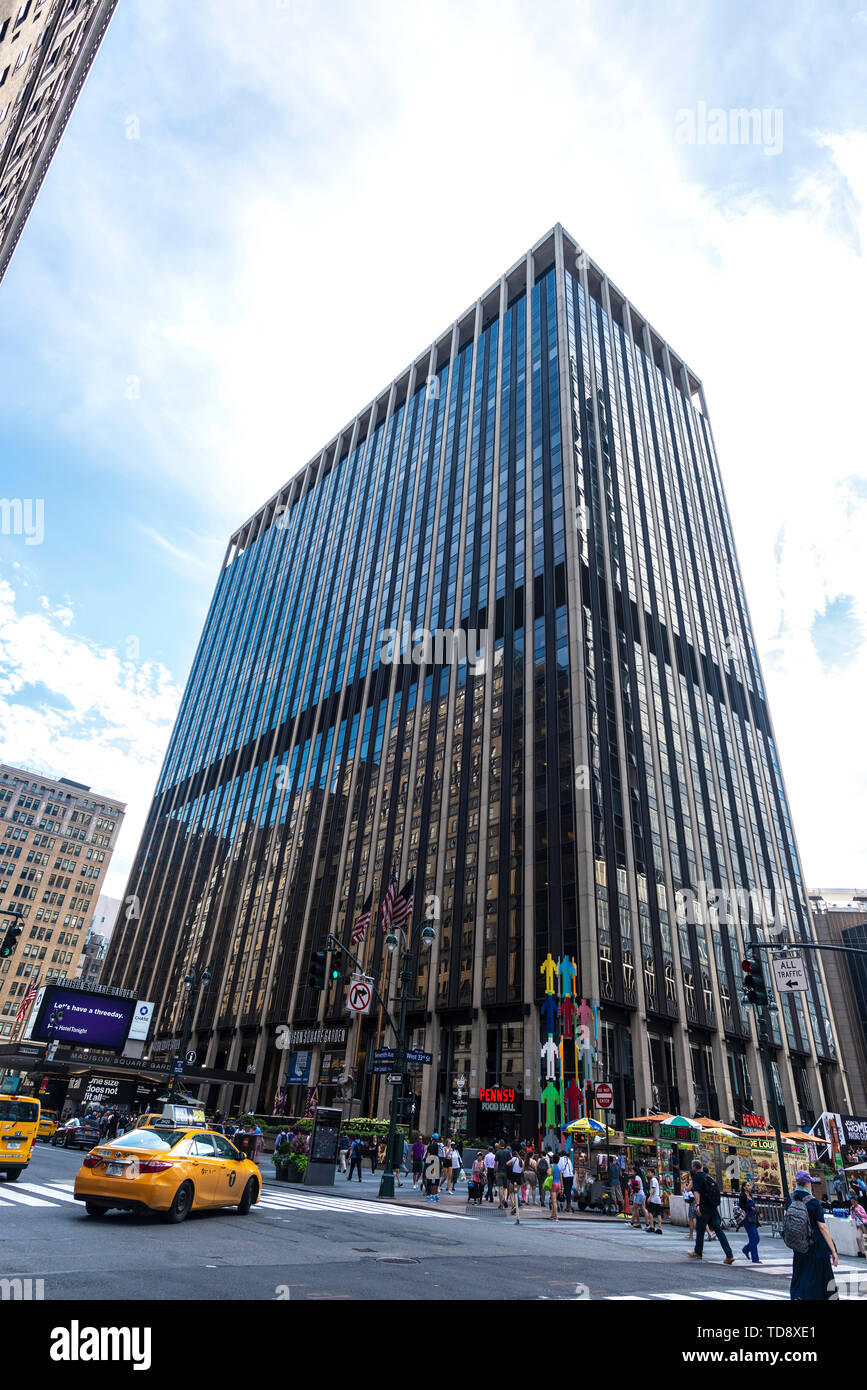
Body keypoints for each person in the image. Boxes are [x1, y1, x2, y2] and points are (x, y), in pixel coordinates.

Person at [786, 1171, 838, 1300]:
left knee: (800, 1270)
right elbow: (823, 1227)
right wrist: (833, 1250)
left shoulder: (790, 1198)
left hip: (798, 1242)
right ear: (807, 1183)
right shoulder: (813, 1202)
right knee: (820, 1274)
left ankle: (798, 1294)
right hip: (815, 1243)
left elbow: (786, 1217)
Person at [688, 1159, 735, 1264]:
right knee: (719, 1231)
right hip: (713, 1208)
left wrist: (698, 1205)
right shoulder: (707, 1177)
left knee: (700, 1230)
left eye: (692, 1167)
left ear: (695, 1168)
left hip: (704, 1208)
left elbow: (696, 1192)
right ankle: (729, 1255)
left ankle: (698, 1252)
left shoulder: (696, 1177)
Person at [738, 1179, 761, 1263]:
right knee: (753, 1238)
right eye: (747, 1185)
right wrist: (749, 1208)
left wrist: (758, 1213)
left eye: (749, 1185)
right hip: (746, 1218)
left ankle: (745, 1249)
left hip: (752, 1218)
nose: (749, 1187)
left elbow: (754, 1206)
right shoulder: (742, 1195)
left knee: (757, 1238)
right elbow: (741, 1205)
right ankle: (755, 1259)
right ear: (744, 1187)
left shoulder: (750, 1195)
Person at [495, 1141, 512, 1208]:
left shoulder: (497, 1152)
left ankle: (501, 1204)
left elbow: (496, 1163)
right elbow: (510, 1161)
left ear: (499, 1145)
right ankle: (505, 1199)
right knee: (505, 1188)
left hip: (499, 1171)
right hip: (506, 1172)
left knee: (500, 1188)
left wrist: (495, 1171)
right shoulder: (507, 1152)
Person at [646, 1169, 663, 1233]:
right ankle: (659, 1228)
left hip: (653, 1198)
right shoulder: (656, 1179)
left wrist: (649, 1197)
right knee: (658, 1213)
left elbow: (654, 1189)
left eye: (649, 1172)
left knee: (650, 1212)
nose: (648, 1174)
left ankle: (652, 1226)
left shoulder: (653, 1180)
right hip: (657, 1198)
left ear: (653, 1173)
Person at [682, 1172, 697, 1241]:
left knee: (691, 1218)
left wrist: (684, 1186)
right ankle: (709, 1234)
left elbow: (688, 1189)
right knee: (700, 1219)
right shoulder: (692, 1181)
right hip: (694, 1202)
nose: (683, 1180)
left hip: (694, 1202)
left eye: (684, 1178)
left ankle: (691, 1235)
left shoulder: (691, 1181)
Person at [549, 1151, 562, 1222]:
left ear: (553, 1160)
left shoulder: (551, 1166)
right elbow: (561, 1178)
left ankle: (556, 1217)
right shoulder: (559, 1168)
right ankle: (552, 1215)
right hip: (558, 1184)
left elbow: (549, 1174)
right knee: (555, 1200)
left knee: (554, 1201)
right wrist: (562, 1188)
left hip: (553, 1184)